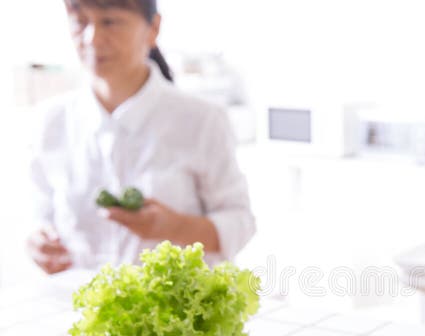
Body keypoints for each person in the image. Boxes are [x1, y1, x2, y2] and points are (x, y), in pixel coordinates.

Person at [26, 0, 256, 274]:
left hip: (171, 311)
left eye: (110, 21)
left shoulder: (202, 120)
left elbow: (240, 223)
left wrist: (172, 227)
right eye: (80, 22)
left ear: (153, 28)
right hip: (80, 307)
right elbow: (41, 217)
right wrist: (38, 244)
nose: (92, 38)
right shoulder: (49, 121)